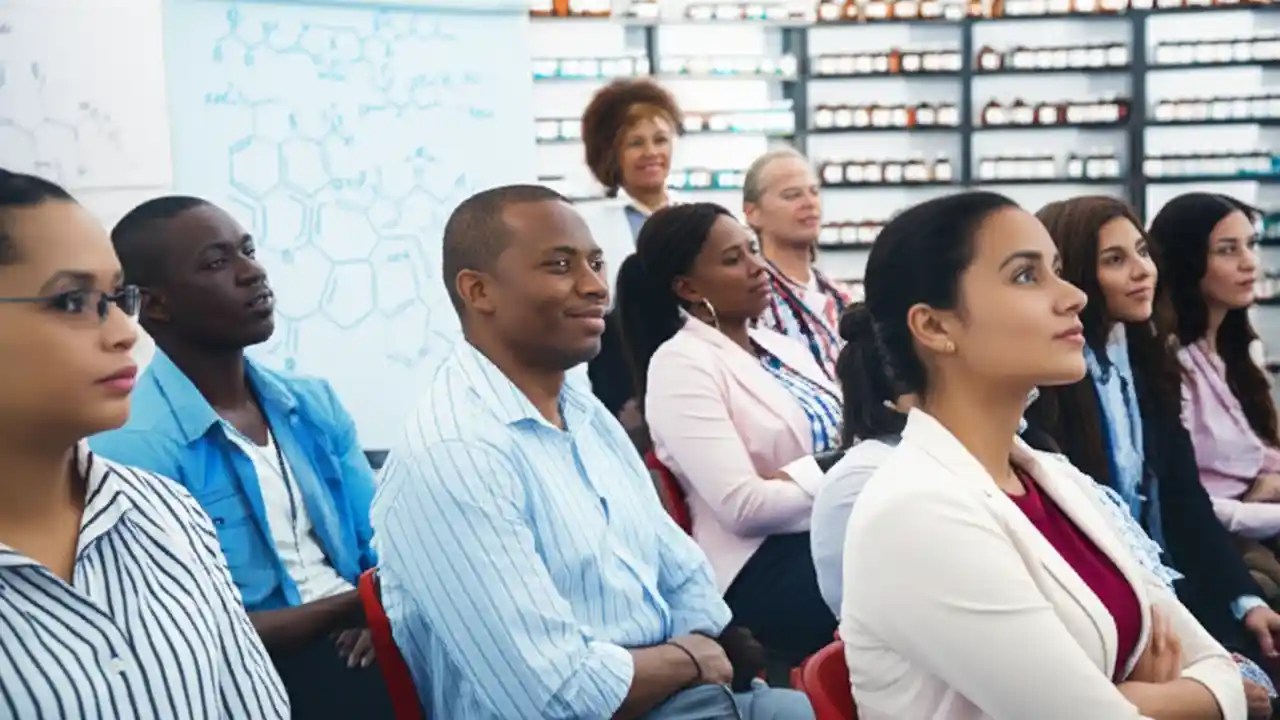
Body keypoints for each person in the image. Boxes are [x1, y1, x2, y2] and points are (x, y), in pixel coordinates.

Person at [371, 184, 813, 720]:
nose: (594, 286)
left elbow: (685, 578)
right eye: (560, 266)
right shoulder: (455, 455)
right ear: (478, 291)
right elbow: (555, 697)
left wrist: (688, 656)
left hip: (673, 696)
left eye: (597, 263)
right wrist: (687, 659)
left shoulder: (583, 411)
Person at [840, 191, 1246, 719]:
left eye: (1057, 270)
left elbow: (1218, 663)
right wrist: (1189, 698)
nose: (1074, 295)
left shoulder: (1052, 477)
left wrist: (1168, 697)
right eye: (1026, 277)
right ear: (936, 327)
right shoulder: (917, 512)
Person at [0, 169, 288, 718]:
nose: (124, 333)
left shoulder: (169, 514)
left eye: (115, 297)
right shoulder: (155, 445)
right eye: (70, 302)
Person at [89, 196, 391, 718]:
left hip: (363, 641)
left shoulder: (311, 403)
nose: (253, 273)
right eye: (217, 262)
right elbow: (192, 634)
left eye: (247, 251)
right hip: (251, 672)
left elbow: (383, 543)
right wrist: (360, 604)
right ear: (156, 305)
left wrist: (378, 606)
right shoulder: (131, 442)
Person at [1026, 195, 1276, 715]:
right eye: (1115, 260)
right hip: (1112, 604)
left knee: (1266, 666)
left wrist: (1242, 599)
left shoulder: (1142, 358)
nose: (1143, 271)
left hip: (1170, 580)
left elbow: (1185, 500)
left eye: (1142, 251)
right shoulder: (1049, 382)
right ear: (1071, 277)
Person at [615, 202, 840, 663]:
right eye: (734, 259)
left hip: (828, 533)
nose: (759, 268)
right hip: (762, 567)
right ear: (689, 287)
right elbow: (745, 507)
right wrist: (840, 477)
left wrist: (803, 477)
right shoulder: (681, 366)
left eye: (753, 250)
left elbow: (849, 444)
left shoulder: (781, 348)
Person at [1153, 194, 1280, 550]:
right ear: (1187, 260)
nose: (1249, 263)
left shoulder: (1227, 353)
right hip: (1221, 546)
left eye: (1251, 245)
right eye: (1227, 250)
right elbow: (1182, 502)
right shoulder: (1170, 362)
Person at [578, 78, 683, 421]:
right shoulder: (589, 226)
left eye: (660, 140)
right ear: (612, 154)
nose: (652, 152)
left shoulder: (698, 217)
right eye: (635, 143)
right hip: (622, 386)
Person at [743, 148, 852, 378]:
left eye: (814, 192)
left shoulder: (841, 296)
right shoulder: (751, 299)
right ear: (752, 212)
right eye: (792, 195)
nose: (809, 203)